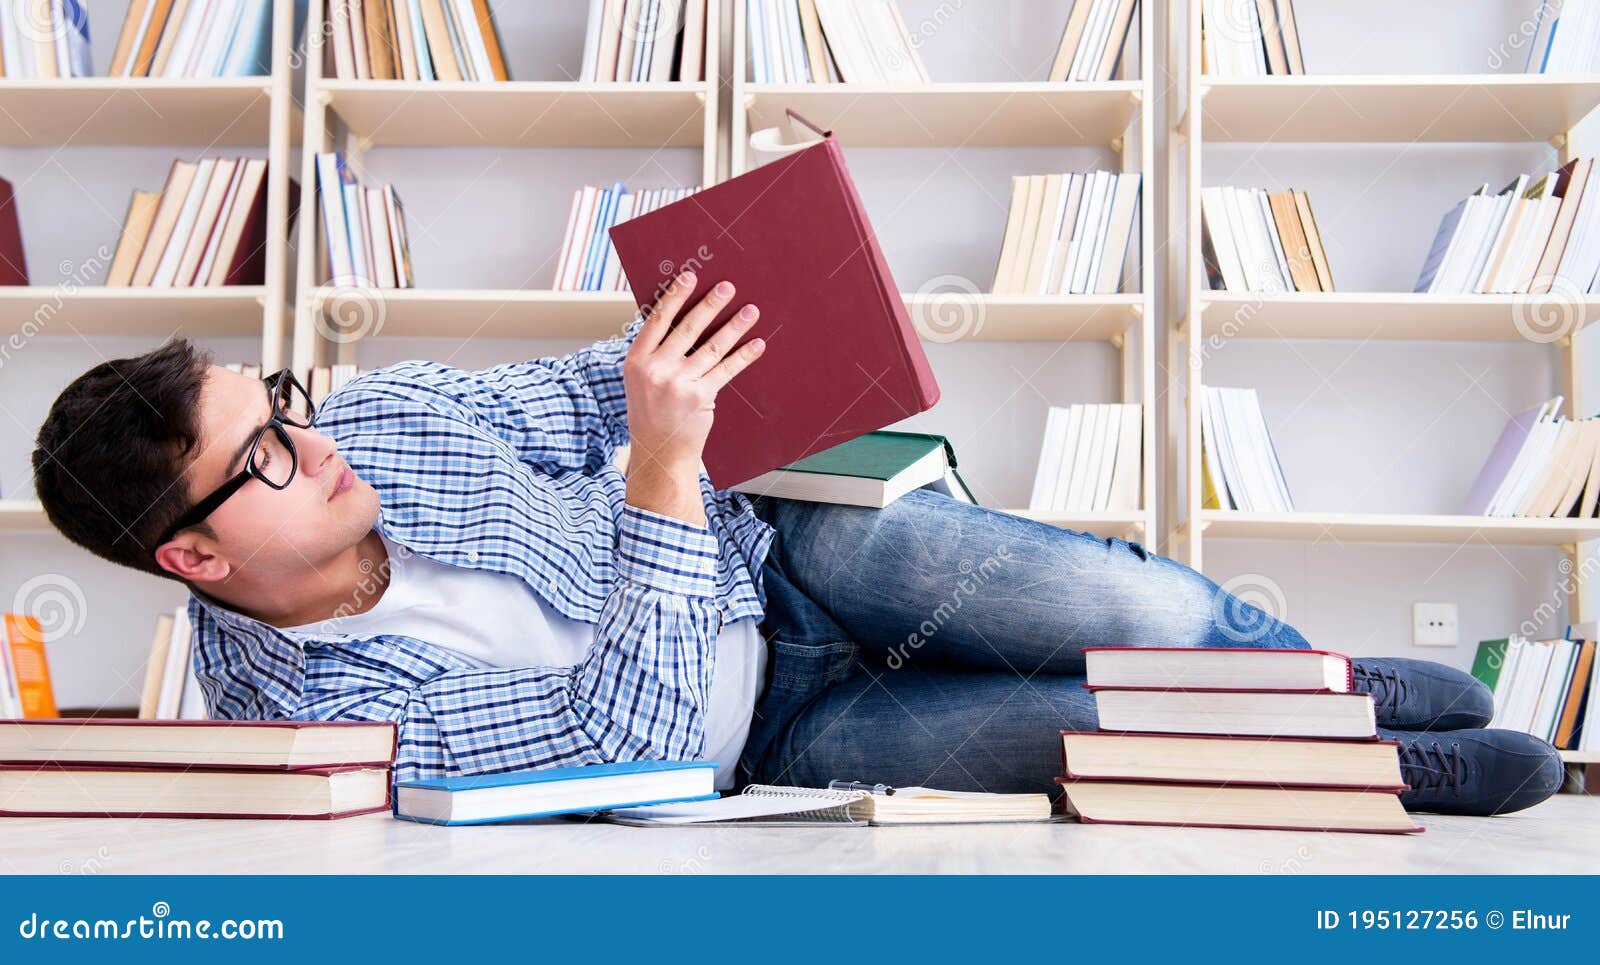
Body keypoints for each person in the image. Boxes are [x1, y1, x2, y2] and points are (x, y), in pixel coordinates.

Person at [32, 272, 1562, 816]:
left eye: (285, 398)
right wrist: (659, 472)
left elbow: (592, 392)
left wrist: (714, 313)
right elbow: (617, 742)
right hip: (768, 742)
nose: (324, 436)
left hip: (785, 560)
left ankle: (1315, 682)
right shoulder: (300, 729)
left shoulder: (399, 411)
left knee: (1133, 607)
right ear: (197, 557)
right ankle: (1363, 761)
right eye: (270, 451)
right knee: (1086, 739)